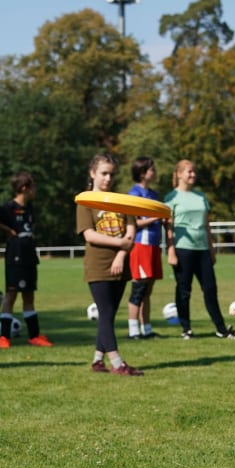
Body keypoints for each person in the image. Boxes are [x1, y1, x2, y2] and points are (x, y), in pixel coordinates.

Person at [76, 153, 143, 375]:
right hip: (98, 266)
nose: (107, 179)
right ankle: (117, 362)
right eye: (103, 173)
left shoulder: (121, 200)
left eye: (111, 174)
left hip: (121, 265)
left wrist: (121, 254)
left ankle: (97, 360)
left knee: (110, 314)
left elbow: (131, 230)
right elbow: (89, 235)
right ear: (92, 173)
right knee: (105, 312)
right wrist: (119, 243)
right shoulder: (85, 200)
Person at [0, 171, 53, 348]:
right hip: (15, 255)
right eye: (33, 187)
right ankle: (4, 336)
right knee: (11, 294)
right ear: (24, 188)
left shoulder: (30, 208)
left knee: (29, 295)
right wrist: (6, 230)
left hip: (29, 255)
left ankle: (34, 335)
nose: (35, 190)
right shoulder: (8, 207)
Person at [164, 159, 233, 339]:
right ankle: (186, 329)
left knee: (210, 288)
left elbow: (206, 225)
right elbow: (168, 227)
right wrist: (170, 250)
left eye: (194, 171)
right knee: (184, 289)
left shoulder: (201, 197)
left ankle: (221, 329)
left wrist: (211, 249)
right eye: (189, 171)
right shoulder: (171, 198)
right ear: (179, 174)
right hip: (182, 249)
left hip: (202, 248)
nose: (192, 174)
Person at [126, 156, 163, 339]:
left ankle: (146, 329)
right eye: (151, 169)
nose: (154, 172)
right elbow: (134, 222)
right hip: (141, 245)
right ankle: (133, 330)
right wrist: (157, 217)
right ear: (142, 173)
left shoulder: (154, 194)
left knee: (148, 289)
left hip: (155, 245)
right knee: (138, 289)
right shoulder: (134, 194)